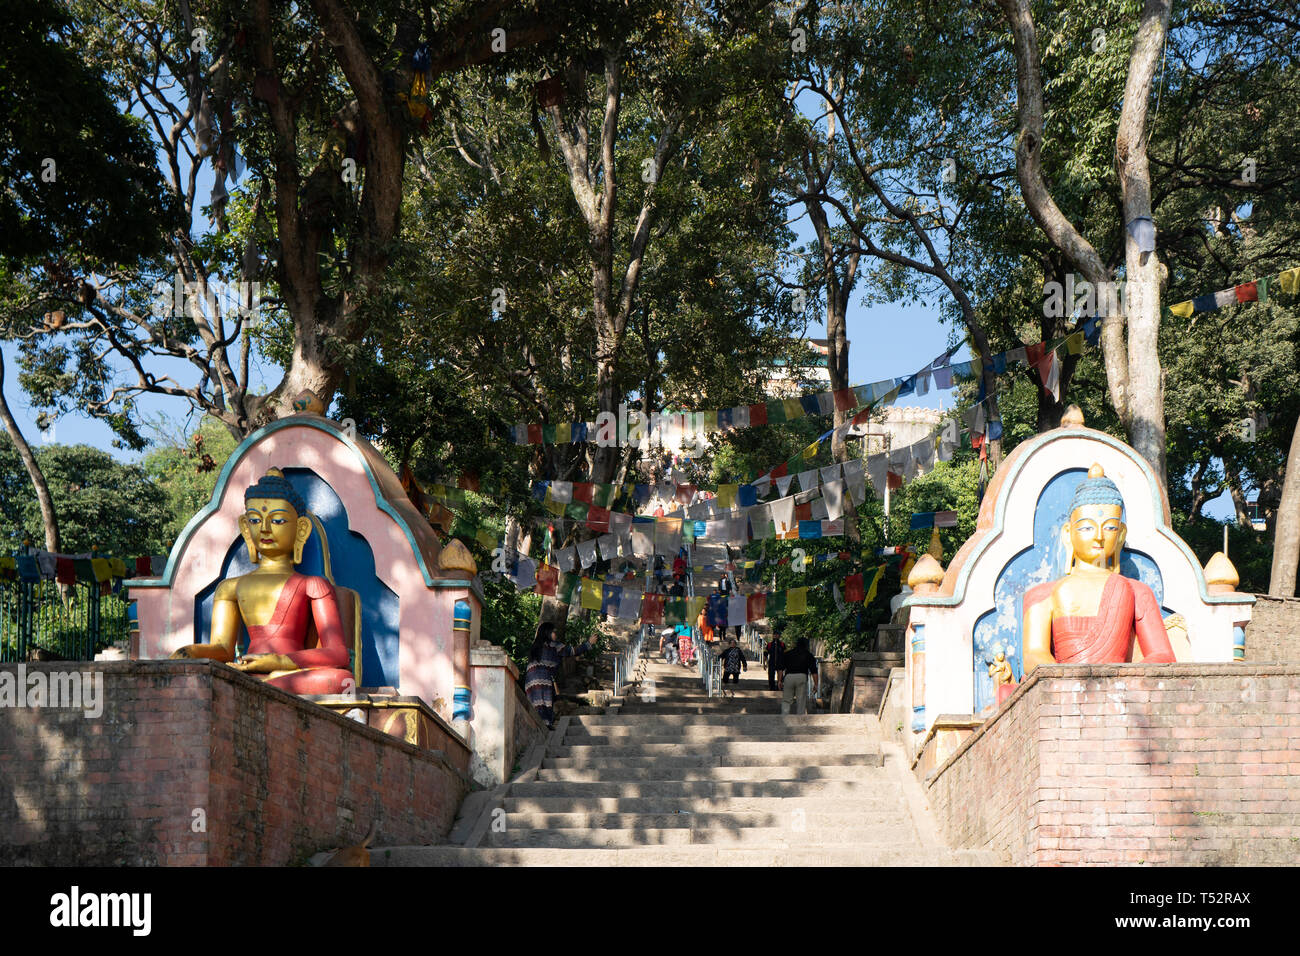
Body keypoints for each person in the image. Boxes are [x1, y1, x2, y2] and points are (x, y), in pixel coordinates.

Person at [525, 622, 597, 728]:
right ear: (547, 632)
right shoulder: (554, 645)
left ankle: (536, 728)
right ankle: (547, 727)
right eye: (554, 632)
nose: (556, 634)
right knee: (546, 704)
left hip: (530, 680)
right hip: (543, 680)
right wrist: (589, 643)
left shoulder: (536, 646)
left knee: (536, 705)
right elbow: (572, 651)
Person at [780, 636, 818, 715]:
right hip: (802, 677)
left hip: (789, 677)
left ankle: (784, 717)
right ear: (806, 645)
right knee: (801, 701)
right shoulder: (809, 655)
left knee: (786, 700)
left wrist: (779, 680)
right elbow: (814, 671)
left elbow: (781, 669)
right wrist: (816, 684)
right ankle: (800, 719)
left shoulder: (788, 654)